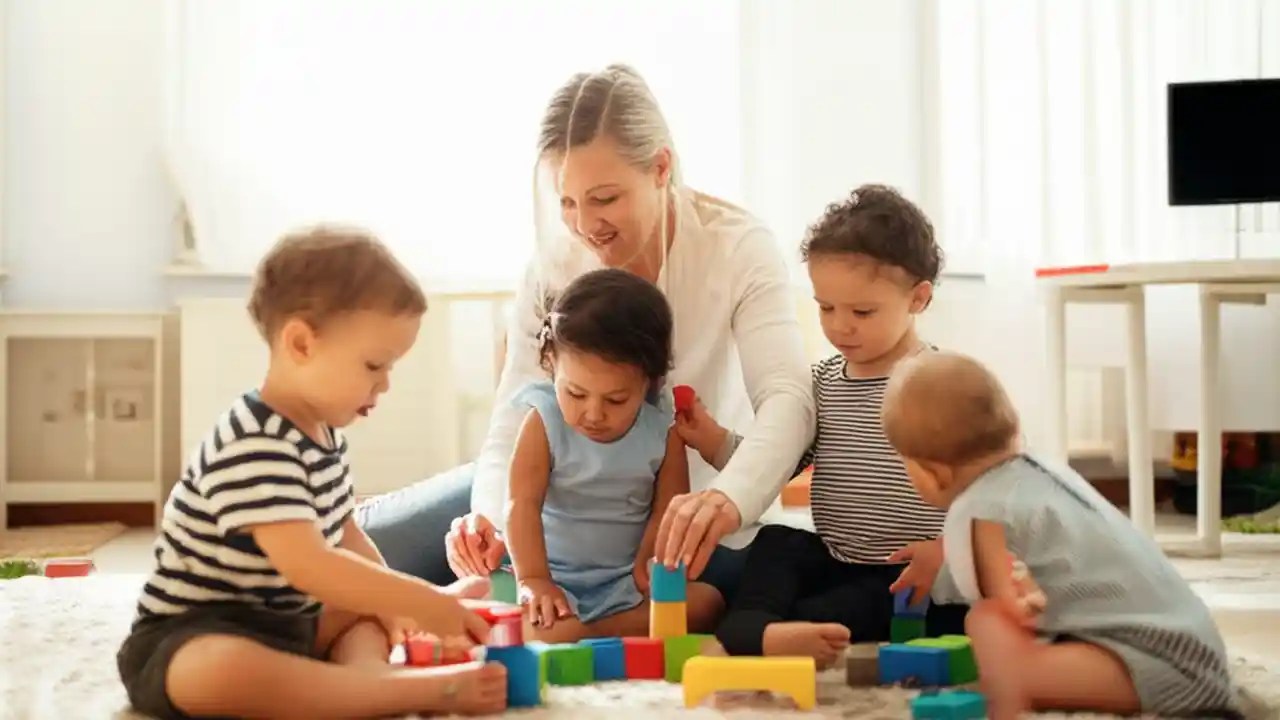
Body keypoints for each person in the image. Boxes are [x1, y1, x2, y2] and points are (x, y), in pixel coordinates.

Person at [357, 63, 814, 605]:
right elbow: (513, 417)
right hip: (554, 510)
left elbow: (789, 401)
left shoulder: (737, 248)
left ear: (661, 167)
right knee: (346, 550)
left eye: (604, 199)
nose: (583, 223)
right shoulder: (553, 263)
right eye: (567, 202)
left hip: (682, 518)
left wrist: (728, 499)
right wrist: (490, 515)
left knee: (734, 599)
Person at [116, 228, 506, 720]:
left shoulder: (323, 437)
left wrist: (393, 603)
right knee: (220, 669)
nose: (384, 384)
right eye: (373, 365)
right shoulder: (252, 442)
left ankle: (366, 677)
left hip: (288, 624)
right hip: (193, 636)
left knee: (363, 605)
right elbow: (310, 564)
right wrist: (420, 599)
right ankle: (395, 693)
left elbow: (346, 534)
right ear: (301, 342)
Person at [679, 185, 969, 667]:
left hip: (909, 575)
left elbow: (993, 488)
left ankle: (772, 632)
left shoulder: (943, 384)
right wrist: (714, 441)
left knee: (854, 606)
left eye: (862, 311)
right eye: (825, 307)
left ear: (918, 299)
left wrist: (948, 551)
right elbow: (777, 464)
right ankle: (757, 628)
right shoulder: (822, 382)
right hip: (837, 557)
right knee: (776, 542)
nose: (840, 327)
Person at [882, 350, 1240, 720]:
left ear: (931, 474)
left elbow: (1007, 610)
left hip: (1146, 669)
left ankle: (1013, 693)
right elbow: (1021, 557)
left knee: (986, 620)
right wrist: (946, 559)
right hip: (1195, 652)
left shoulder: (973, 513)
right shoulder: (1043, 471)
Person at [506, 268, 723, 642]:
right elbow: (520, 504)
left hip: (624, 584)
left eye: (616, 399)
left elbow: (668, 506)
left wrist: (649, 560)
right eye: (575, 393)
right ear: (551, 364)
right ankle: (587, 629)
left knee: (709, 603)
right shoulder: (543, 420)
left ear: (651, 382)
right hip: (555, 579)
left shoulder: (662, 425)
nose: (593, 413)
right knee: (499, 612)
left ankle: (581, 632)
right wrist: (533, 579)